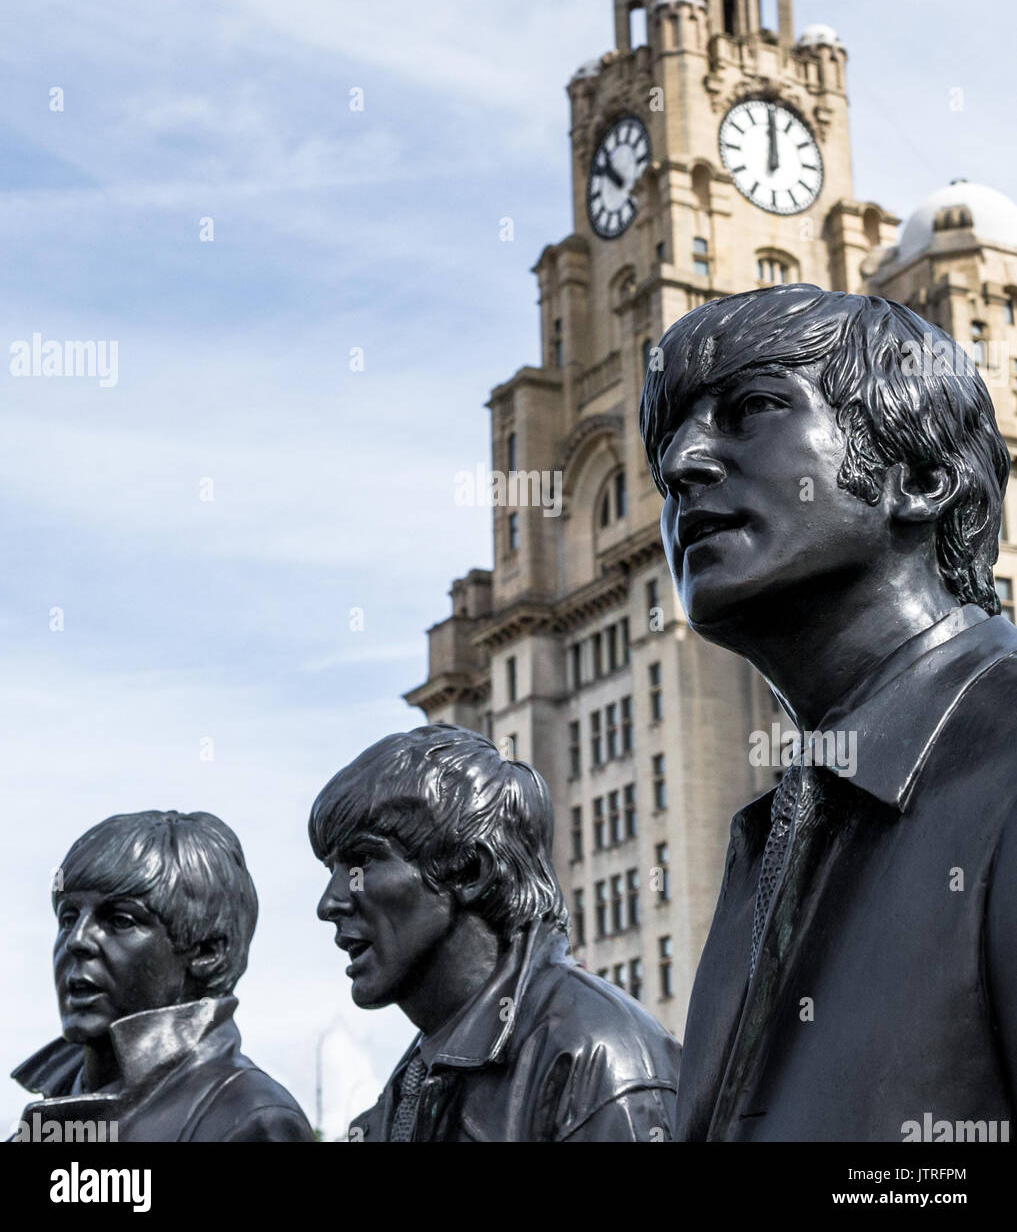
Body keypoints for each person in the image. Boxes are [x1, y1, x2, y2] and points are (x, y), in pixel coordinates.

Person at [639, 282, 1017, 1141]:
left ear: (918, 478)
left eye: (754, 408)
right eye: (670, 437)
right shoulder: (767, 841)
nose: (681, 463)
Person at [310, 724, 680, 1141]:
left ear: (470, 870)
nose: (330, 903)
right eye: (333, 871)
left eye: (362, 862)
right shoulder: (411, 1084)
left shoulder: (599, 1058)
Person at [11, 810, 314, 1142]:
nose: (77, 940)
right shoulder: (51, 1113)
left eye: (121, 920)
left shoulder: (248, 1119)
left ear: (207, 951)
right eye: (68, 918)